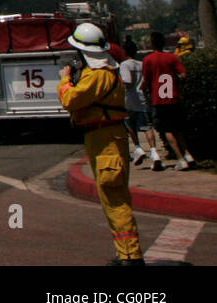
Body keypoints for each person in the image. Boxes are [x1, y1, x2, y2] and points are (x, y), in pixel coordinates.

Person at [58, 22, 143, 266]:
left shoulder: (98, 75)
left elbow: (70, 99)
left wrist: (65, 80)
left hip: (105, 141)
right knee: (112, 199)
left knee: (115, 201)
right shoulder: (104, 72)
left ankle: (131, 257)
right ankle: (125, 253)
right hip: (104, 138)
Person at [142, 30, 196, 171]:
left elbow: (145, 82)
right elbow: (183, 74)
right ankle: (187, 154)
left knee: (167, 131)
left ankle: (180, 158)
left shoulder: (148, 60)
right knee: (178, 129)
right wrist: (174, 80)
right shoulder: (172, 58)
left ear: (152, 43)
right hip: (173, 98)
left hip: (159, 101)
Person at [118, 42, 159, 168]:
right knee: (147, 127)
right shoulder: (142, 64)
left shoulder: (125, 65)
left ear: (125, 52)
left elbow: (127, 81)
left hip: (130, 99)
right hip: (142, 99)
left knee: (130, 126)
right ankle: (153, 152)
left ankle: (137, 148)